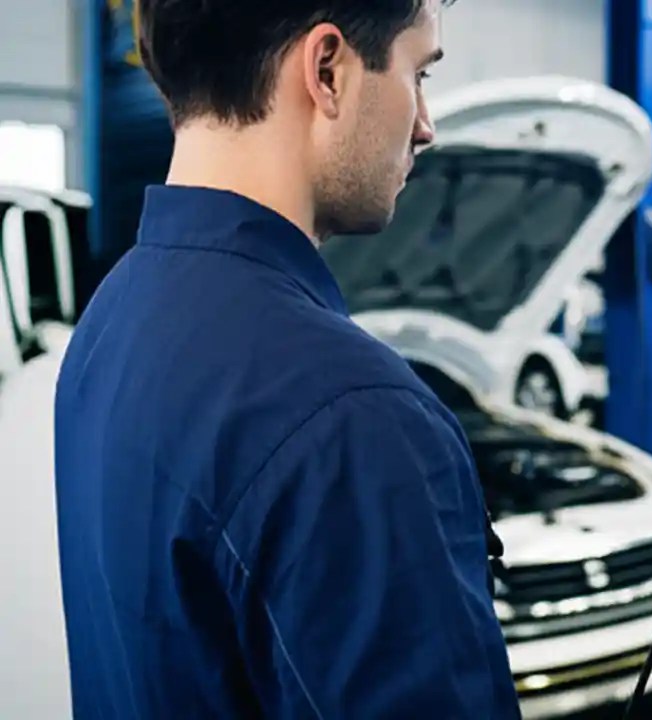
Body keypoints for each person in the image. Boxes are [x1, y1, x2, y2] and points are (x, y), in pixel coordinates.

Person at [53, 1, 522, 717]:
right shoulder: (356, 418)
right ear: (328, 69)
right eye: (417, 73)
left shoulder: (110, 321)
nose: (425, 124)